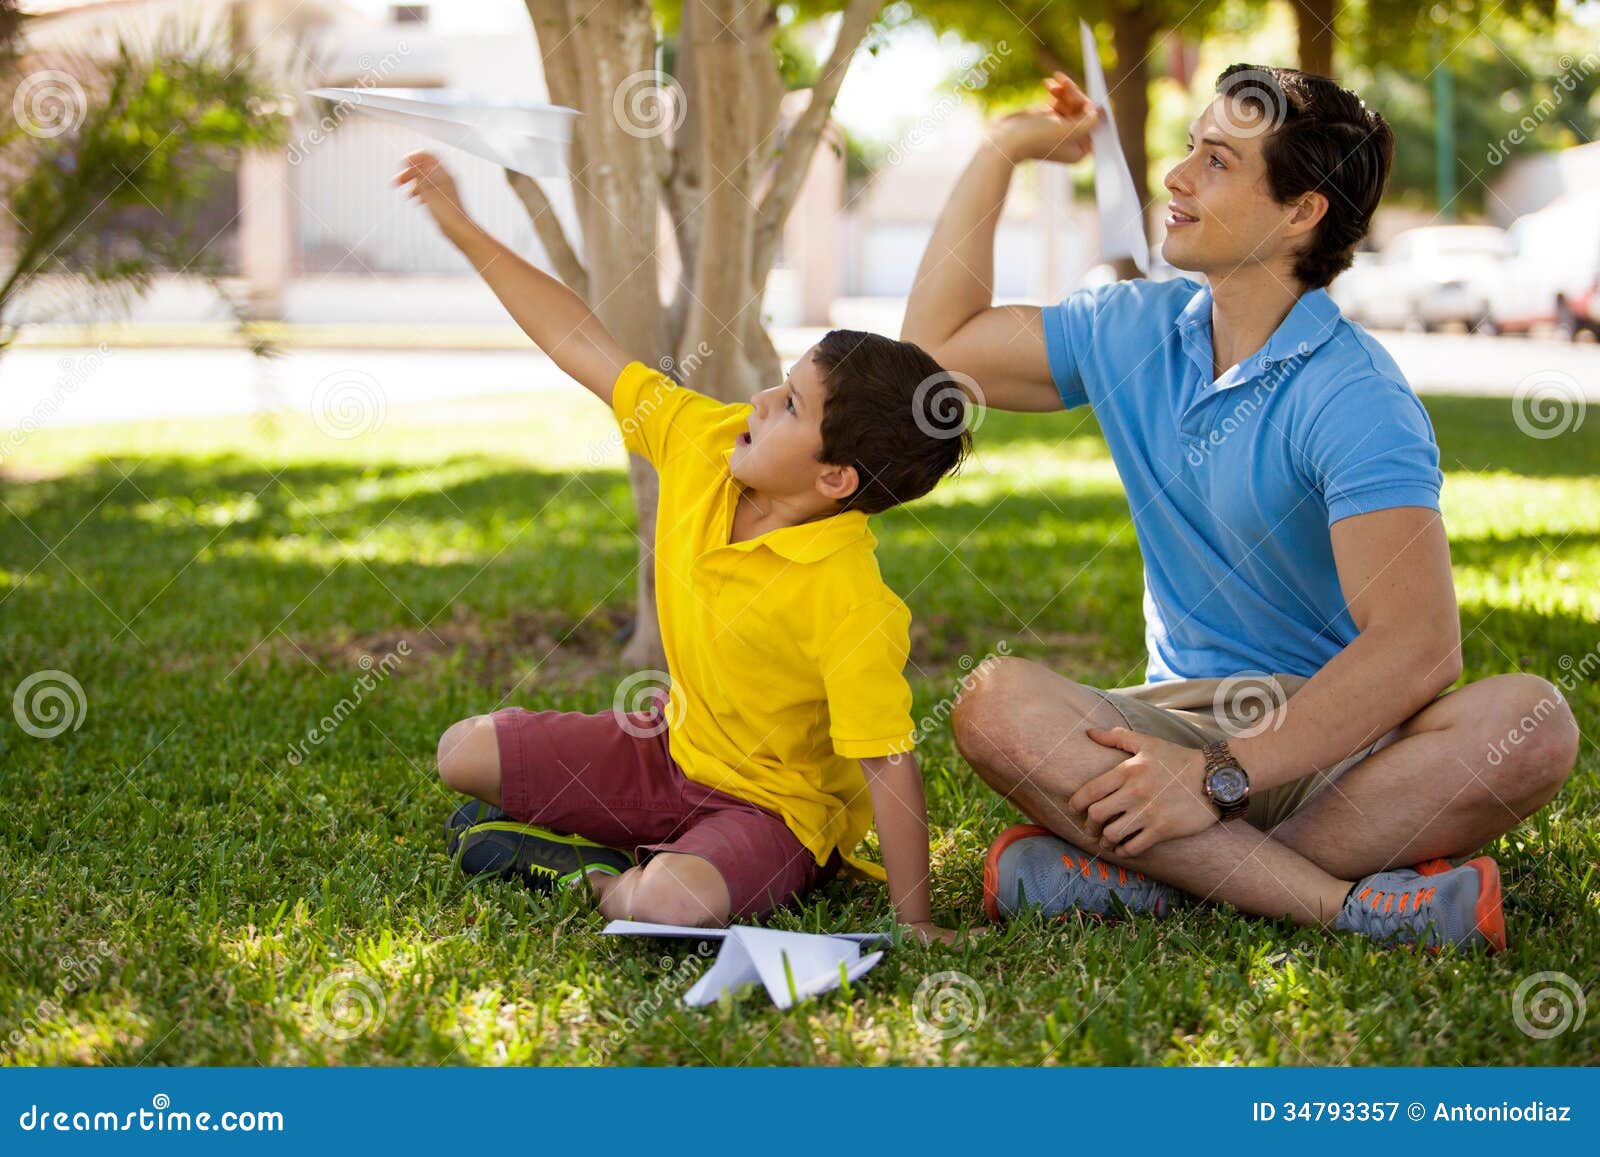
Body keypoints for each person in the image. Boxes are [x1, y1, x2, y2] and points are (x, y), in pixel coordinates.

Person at [901, 65, 1578, 952]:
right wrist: (1007, 149)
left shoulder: (1355, 394)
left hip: (1341, 747)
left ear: (1301, 212)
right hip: (1177, 716)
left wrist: (1213, 780)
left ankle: (1157, 885)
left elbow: (1417, 649)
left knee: (1531, 723)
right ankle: (1340, 903)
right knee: (994, 700)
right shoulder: (1132, 329)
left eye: (1216, 161)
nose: (1176, 178)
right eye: (1189, 150)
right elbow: (936, 353)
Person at [395, 150, 973, 942]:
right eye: (784, 382)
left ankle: (591, 870)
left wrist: (916, 921)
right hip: (667, 748)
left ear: (836, 478)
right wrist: (461, 227)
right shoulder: (705, 437)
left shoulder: (852, 599)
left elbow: (887, 763)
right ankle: (632, 843)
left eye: (790, 406)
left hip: (774, 812)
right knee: (461, 751)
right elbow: (580, 343)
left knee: (670, 906)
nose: (761, 399)